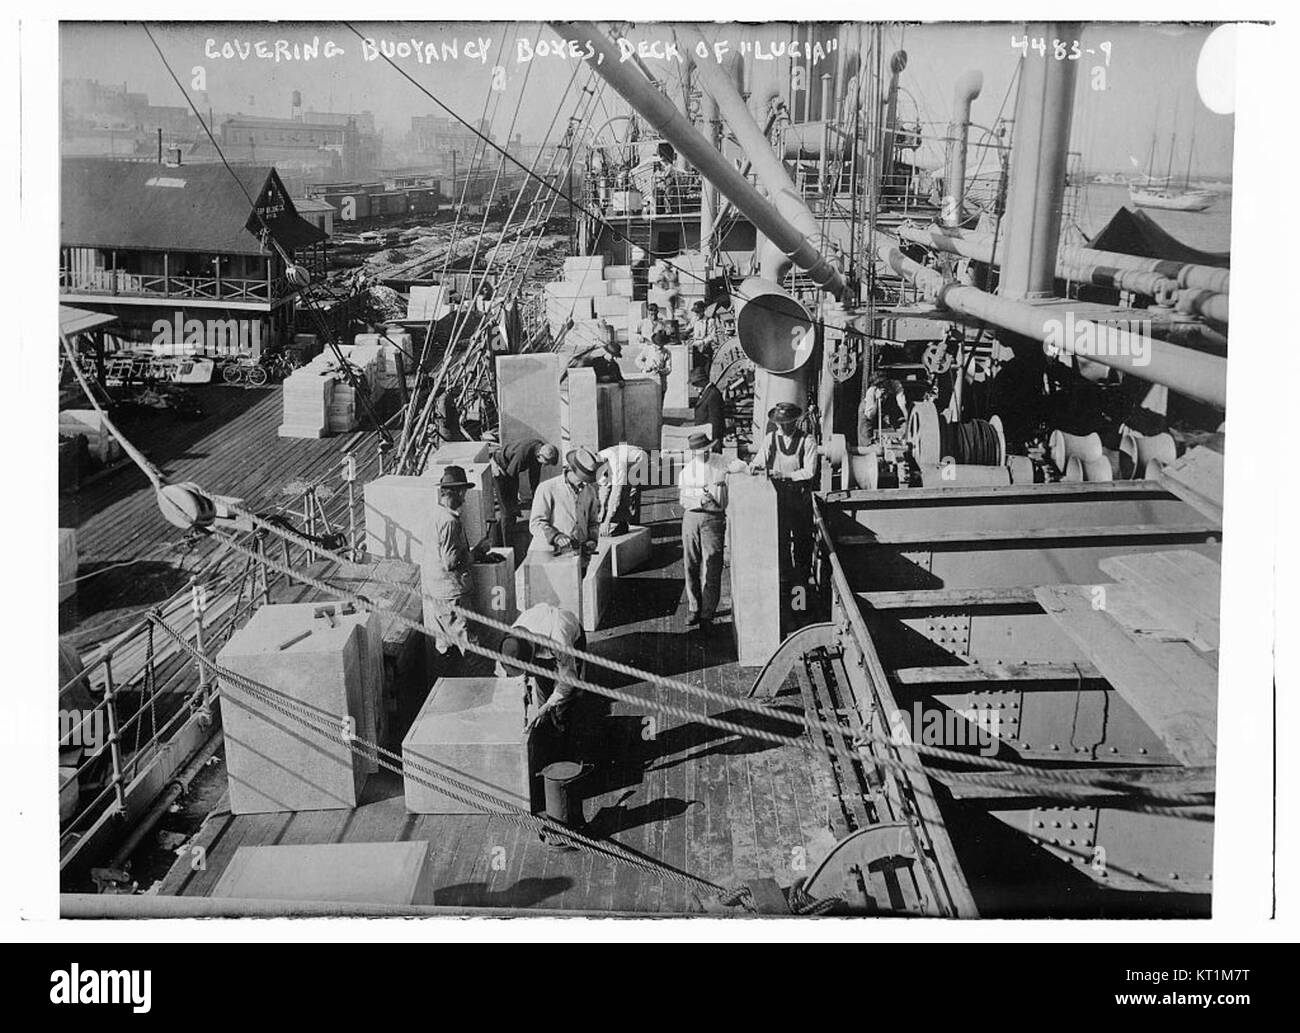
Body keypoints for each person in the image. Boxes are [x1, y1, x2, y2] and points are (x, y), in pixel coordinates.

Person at [678, 430, 745, 631]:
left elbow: (741, 466)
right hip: (691, 517)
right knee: (690, 564)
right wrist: (699, 499)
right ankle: (694, 607)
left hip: (714, 519)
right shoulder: (687, 471)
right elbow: (682, 499)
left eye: (706, 449)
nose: (704, 454)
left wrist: (747, 467)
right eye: (699, 451)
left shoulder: (721, 461)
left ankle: (708, 614)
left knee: (712, 566)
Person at [750, 402, 819, 582]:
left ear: (794, 422)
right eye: (779, 423)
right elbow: (760, 459)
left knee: (802, 542)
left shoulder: (807, 440)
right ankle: (784, 583)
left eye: (785, 423)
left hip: (799, 498)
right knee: (780, 541)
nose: (781, 426)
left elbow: (809, 471)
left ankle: (801, 588)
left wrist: (786, 475)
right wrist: (754, 465)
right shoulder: (771, 438)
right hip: (777, 498)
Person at [497, 602, 586, 738]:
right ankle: (544, 734)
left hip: (571, 637)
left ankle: (564, 739)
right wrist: (522, 686)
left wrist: (547, 707)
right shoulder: (514, 636)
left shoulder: (559, 641)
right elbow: (508, 666)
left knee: (564, 703)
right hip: (540, 644)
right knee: (541, 694)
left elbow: (568, 680)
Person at [425, 466, 486, 653]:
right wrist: (477, 553)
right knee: (470, 645)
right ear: (457, 491)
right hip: (453, 595)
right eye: (463, 492)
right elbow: (451, 563)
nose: (465, 498)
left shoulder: (435, 514)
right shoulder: (450, 522)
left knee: (445, 644)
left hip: (438, 591)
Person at [529, 446, 602, 555]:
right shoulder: (547, 488)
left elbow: (593, 522)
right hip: (550, 554)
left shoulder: (590, 491)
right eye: (583, 477)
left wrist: (592, 539)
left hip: (579, 555)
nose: (586, 482)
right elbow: (536, 523)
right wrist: (555, 536)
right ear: (572, 470)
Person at [491, 438, 559, 547]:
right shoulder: (523, 453)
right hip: (499, 468)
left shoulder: (538, 449)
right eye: (546, 462)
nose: (545, 466)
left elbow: (534, 478)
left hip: (509, 471)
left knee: (513, 508)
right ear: (540, 456)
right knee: (507, 511)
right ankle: (507, 545)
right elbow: (511, 476)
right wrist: (513, 499)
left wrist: (537, 498)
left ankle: (511, 530)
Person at [596, 442, 648, 535]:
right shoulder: (598, 459)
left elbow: (616, 493)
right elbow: (604, 486)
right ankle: (622, 521)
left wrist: (607, 521)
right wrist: (602, 509)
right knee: (616, 493)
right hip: (625, 460)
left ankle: (628, 524)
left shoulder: (616, 463)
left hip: (639, 460)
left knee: (626, 493)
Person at [635, 330, 673, 397]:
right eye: (657, 344)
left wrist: (660, 371)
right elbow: (638, 360)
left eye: (660, 345)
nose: (658, 347)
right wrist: (646, 367)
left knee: (659, 402)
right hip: (648, 378)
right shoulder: (648, 349)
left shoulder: (667, 352)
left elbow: (669, 368)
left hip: (661, 381)